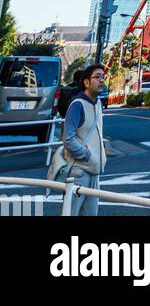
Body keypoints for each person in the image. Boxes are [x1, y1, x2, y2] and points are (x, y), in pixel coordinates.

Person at [50, 63, 107, 215]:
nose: (102, 80)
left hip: (94, 171)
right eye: (97, 77)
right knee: (71, 213)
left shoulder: (98, 103)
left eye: (103, 77)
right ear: (86, 82)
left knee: (90, 214)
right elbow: (68, 139)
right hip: (79, 172)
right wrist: (88, 155)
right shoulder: (77, 105)